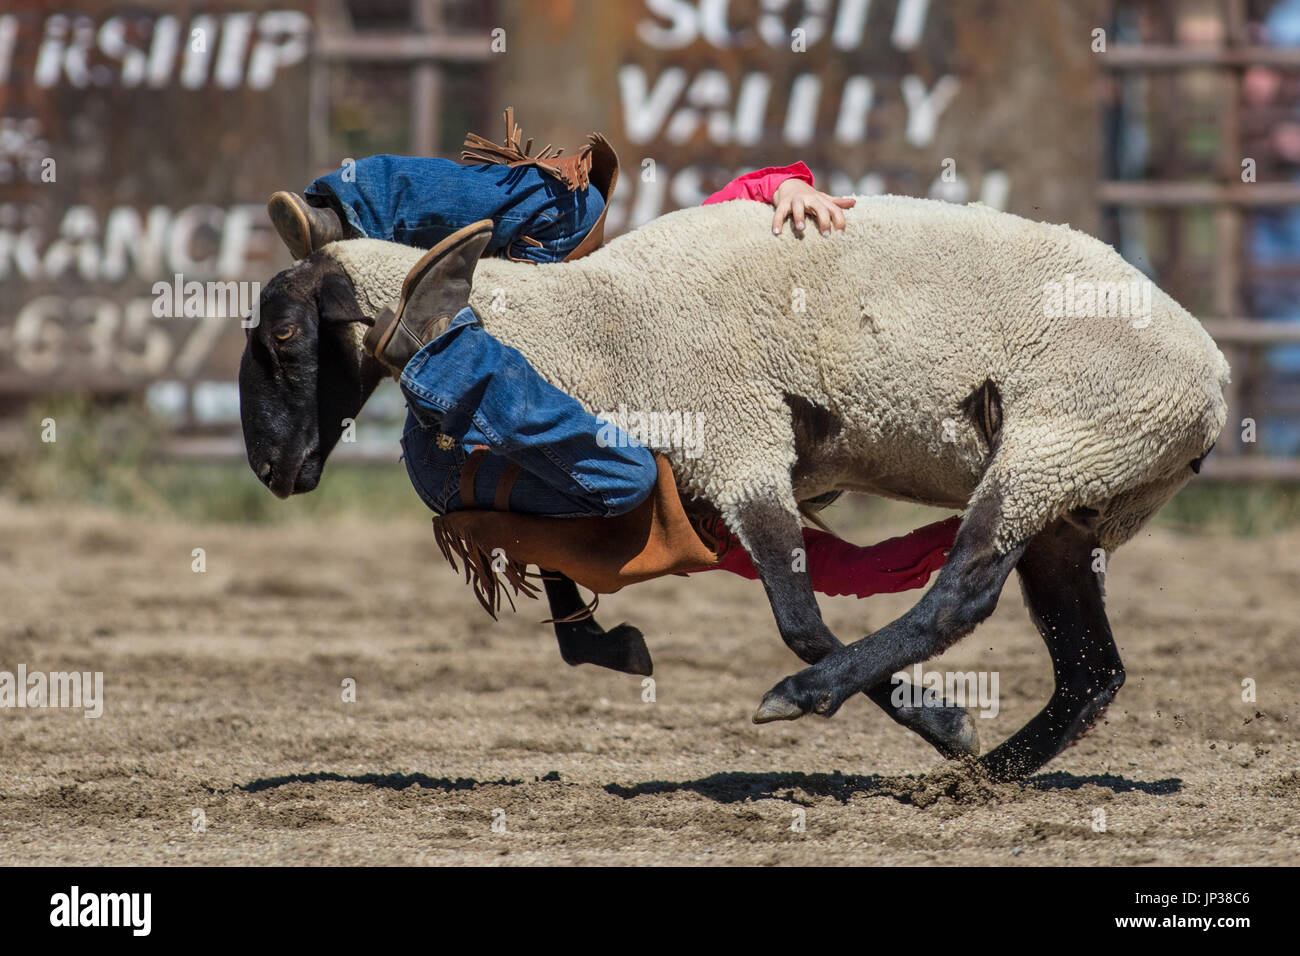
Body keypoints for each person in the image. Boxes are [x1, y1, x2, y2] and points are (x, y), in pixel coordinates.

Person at [267, 113, 957, 600]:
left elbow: (857, 571)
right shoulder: (699, 307)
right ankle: (344, 209)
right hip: (524, 331)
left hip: (461, 459)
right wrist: (788, 185)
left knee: (628, 477)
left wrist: (995, 530)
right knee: (570, 200)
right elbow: (723, 214)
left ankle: (430, 349)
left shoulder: (725, 518)